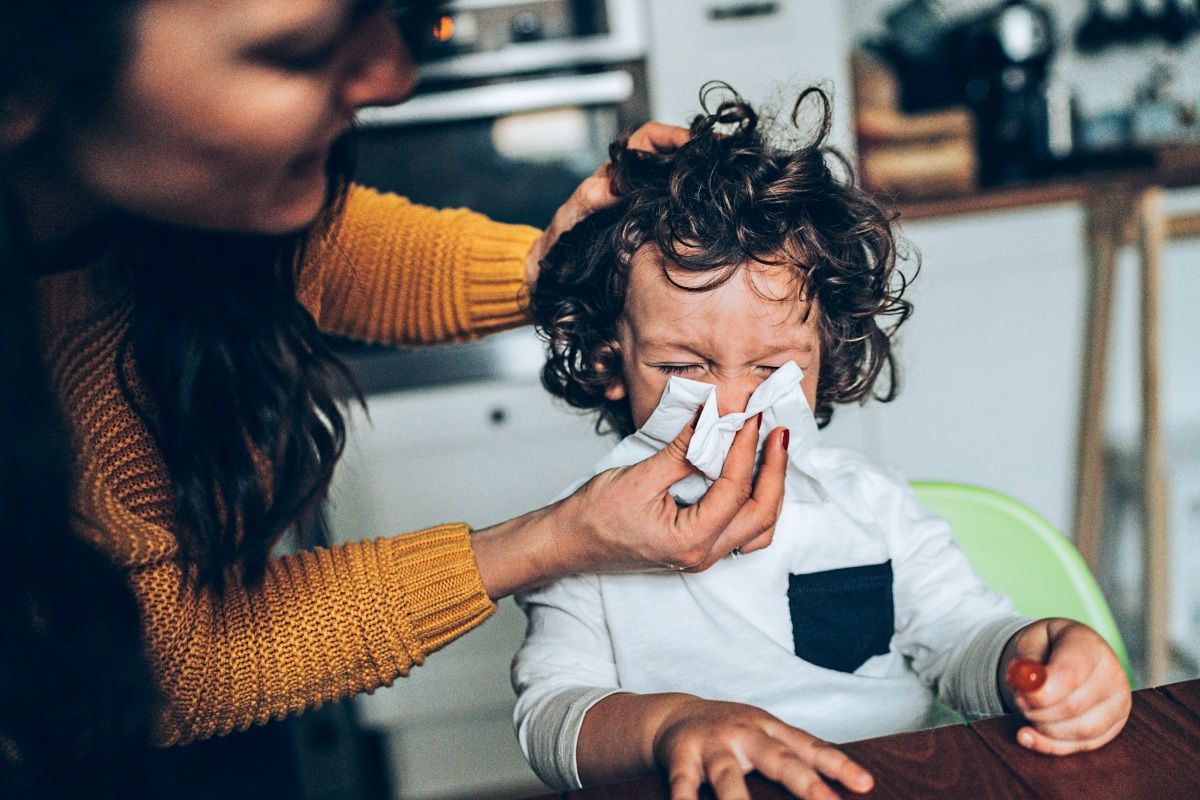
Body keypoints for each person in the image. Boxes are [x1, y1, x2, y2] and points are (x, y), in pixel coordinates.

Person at [0, 0, 788, 750]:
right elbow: (167, 666)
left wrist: (568, 271)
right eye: (299, 51)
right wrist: (553, 539)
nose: (393, 76)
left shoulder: (181, 213)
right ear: (24, 78)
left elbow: (336, 253)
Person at [513, 86, 1133, 800]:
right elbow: (549, 717)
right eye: (684, 367)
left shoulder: (868, 505)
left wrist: (1032, 655)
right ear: (606, 358)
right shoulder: (578, 532)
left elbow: (961, 637)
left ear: (826, 352)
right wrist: (666, 726)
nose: (734, 405)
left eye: (773, 369)